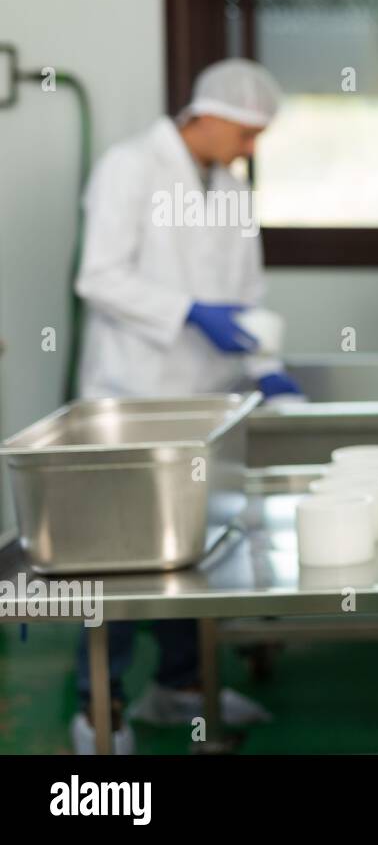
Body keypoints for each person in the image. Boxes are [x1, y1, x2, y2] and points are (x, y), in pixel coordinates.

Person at [70, 58, 299, 754]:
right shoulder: (129, 167)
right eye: (248, 132)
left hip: (201, 404)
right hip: (131, 397)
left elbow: (248, 298)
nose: (251, 148)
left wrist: (267, 364)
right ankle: (97, 708)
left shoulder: (230, 188)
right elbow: (98, 276)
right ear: (210, 115)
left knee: (185, 559)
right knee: (111, 562)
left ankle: (183, 689)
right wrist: (187, 311)